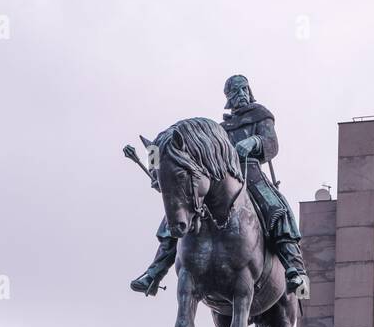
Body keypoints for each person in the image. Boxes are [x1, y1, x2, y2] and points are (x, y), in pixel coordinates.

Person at [130, 74, 309, 298]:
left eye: (244, 90)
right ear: (228, 99)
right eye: (235, 93)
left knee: (277, 208)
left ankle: (296, 271)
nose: (241, 95)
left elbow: (271, 144)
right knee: (179, 208)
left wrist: (254, 141)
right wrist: (153, 159)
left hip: (250, 172)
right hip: (219, 177)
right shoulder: (220, 128)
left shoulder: (261, 115)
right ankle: (155, 272)